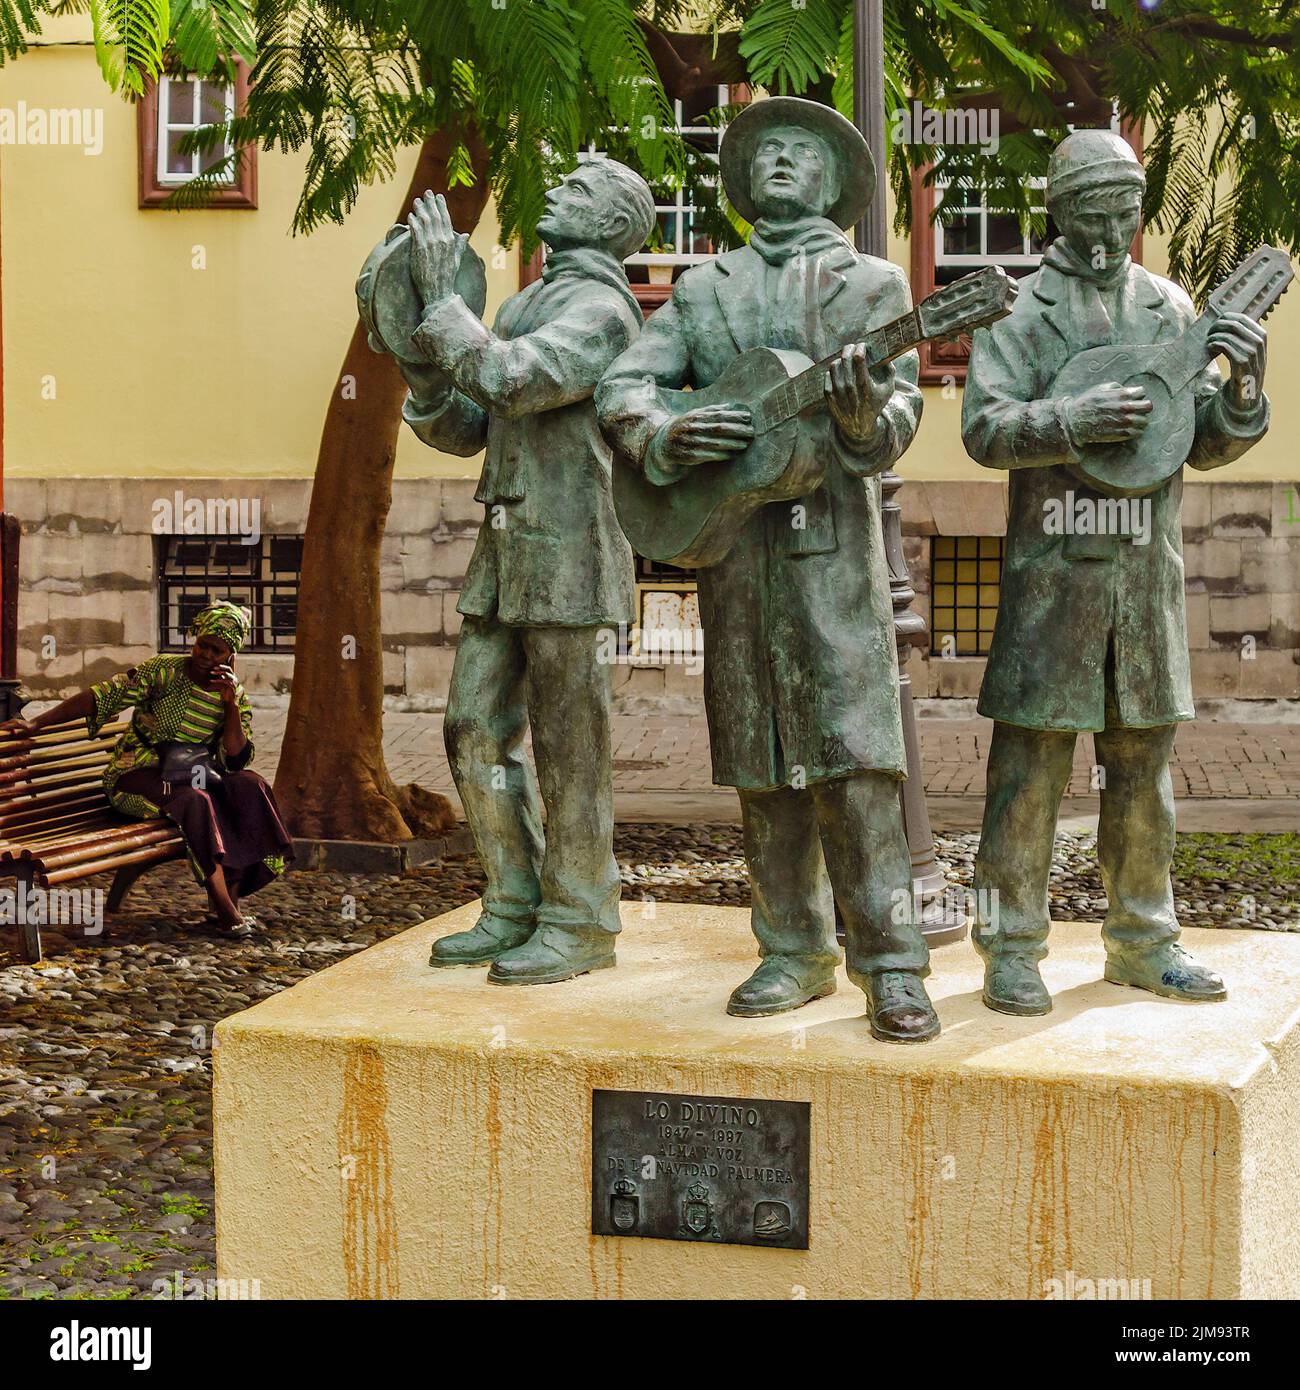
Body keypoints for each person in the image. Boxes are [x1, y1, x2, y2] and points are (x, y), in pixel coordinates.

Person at [596, 97, 939, 1043]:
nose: (783, 164)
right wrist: (664, 432)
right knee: (762, 763)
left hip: (834, 555)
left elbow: (901, 415)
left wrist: (866, 414)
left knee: (856, 764)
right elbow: (627, 382)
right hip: (738, 552)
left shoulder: (874, 286)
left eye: (804, 153)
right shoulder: (706, 291)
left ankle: (894, 965)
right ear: (744, 181)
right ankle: (790, 949)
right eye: (768, 152)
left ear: (836, 181)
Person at [961, 130, 1270, 1014]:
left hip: (1142, 581)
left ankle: (1144, 937)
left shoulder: (1173, 308)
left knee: (1143, 769)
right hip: (1054, 580)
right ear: (1060, 211)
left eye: (1128, 210)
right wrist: (1068, 420)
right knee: (1028, 772)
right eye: (1096, 210)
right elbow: (986, 428)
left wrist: (1242, 394)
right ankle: (1012, 945)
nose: (1113, 227)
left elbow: (1198, 439)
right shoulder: (1020, 315)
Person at [398, 157, 656, 984]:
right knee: (470, 725)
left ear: (616, 224)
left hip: (571, 555)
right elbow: (472, 424)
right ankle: (513, 901)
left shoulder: (605, 310)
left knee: (571, 748)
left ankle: (581, 920)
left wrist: (443, 306)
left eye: (580, 190)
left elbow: (513, 378)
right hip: (508, 551)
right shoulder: (523, 301)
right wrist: (422, 360)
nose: (555, 190)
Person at [0, 600, 293, 932]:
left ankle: (232, 893)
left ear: (231, 655)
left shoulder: (233, 693)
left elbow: (237, 757)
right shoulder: (164, 671)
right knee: (195, 802)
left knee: (250, 785)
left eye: (217, 650)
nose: (205, 655)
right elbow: (102, 696)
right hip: (135, 777)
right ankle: (225, 908)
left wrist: (231, 708)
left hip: (193, 776)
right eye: (202, 644)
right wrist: (36, 724)